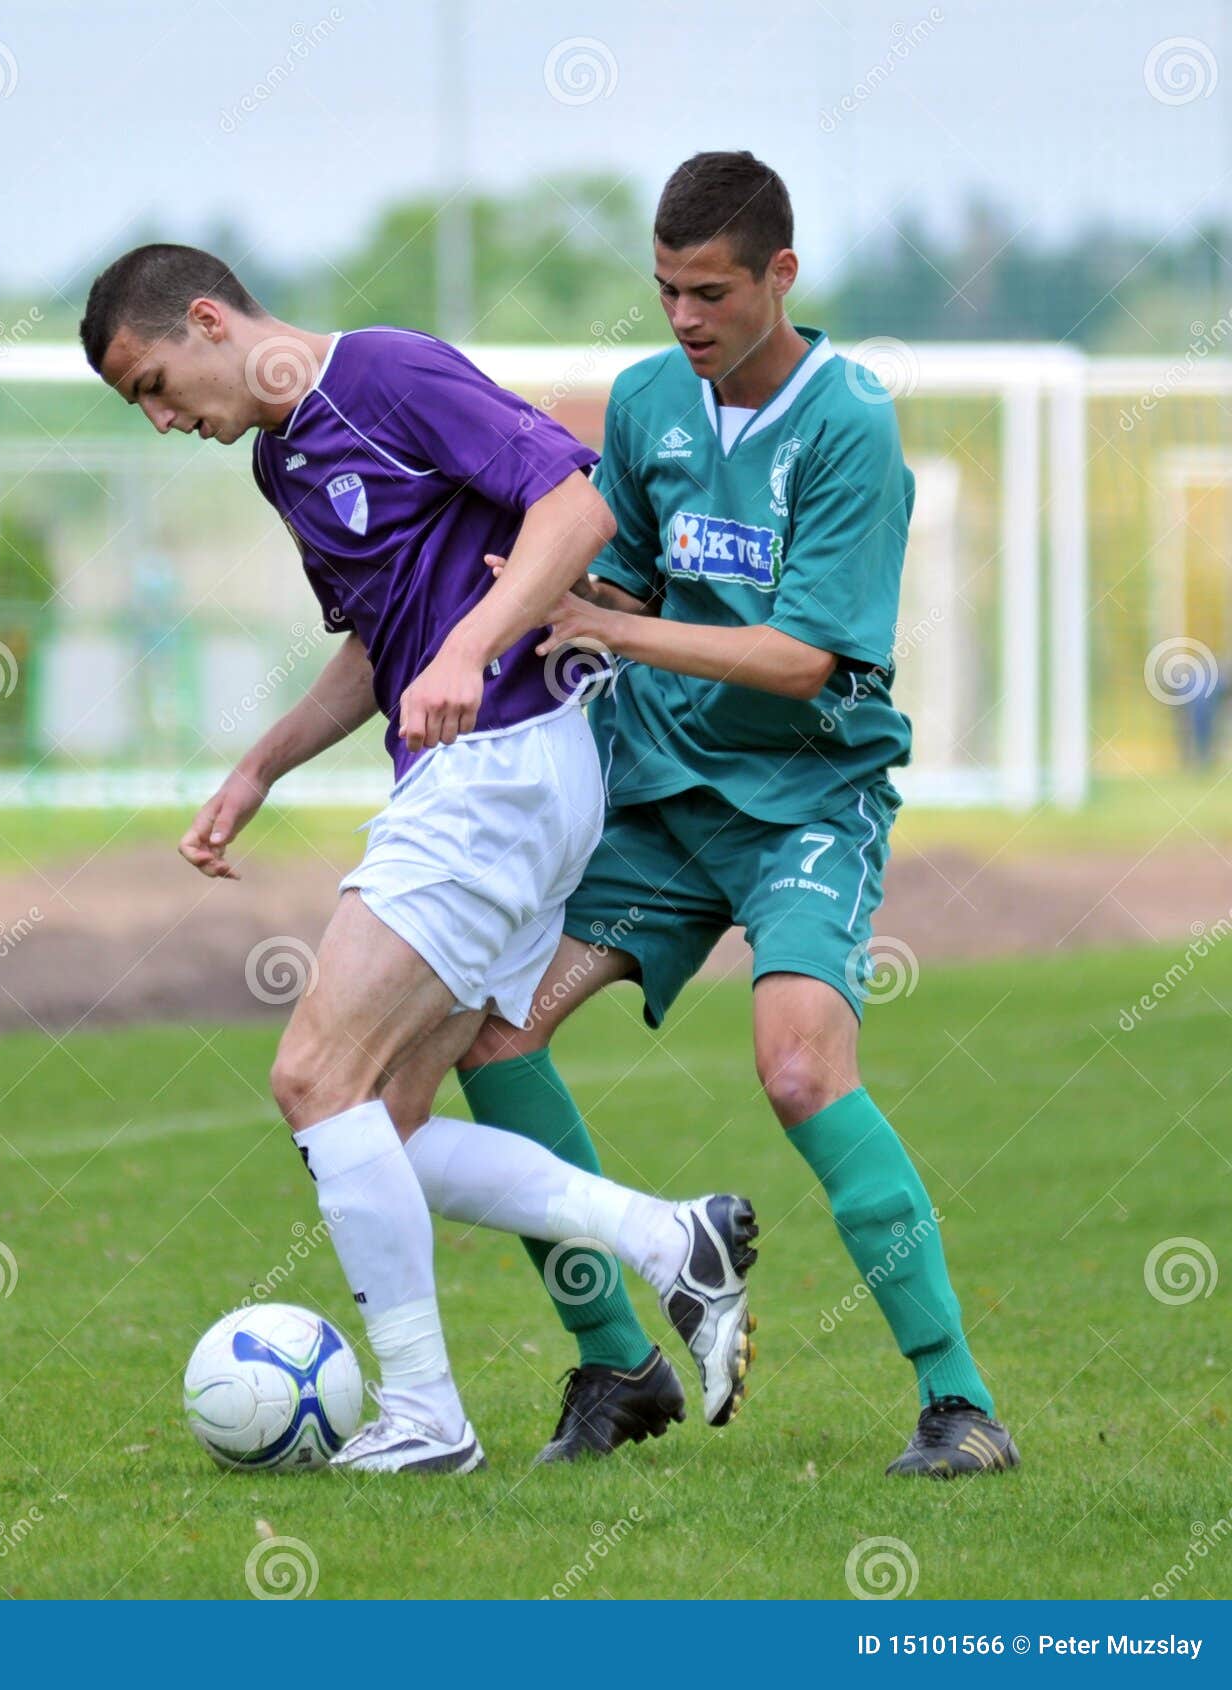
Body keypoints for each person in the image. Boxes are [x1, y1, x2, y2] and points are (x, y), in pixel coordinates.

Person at [81, 245, 759, 1474]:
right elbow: (380, 642)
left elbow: (576, 504)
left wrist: (473, 648)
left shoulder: (384, 373)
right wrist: (260, 765)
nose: (165, 418)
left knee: (311, 1080)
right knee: (379, 1123)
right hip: (496, 782)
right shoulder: (282, 460)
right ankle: (671, 1242)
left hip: (500, 766)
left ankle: (427, 1418)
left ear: (207, 318)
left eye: (155, 384)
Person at [438, 152, 1018, 1477]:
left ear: (780, 278)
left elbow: (801, 656)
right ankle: (618, 1361)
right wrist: (516, 636)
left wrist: (609, 625)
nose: (685, 318)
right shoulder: (649, 403)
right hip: (659, 797)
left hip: (805, 798)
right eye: (666, 291)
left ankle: (957, 1403)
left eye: (710, 291)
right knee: (490, 1032)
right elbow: (620, 567)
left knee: (801, 1066)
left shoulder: (850, 421)